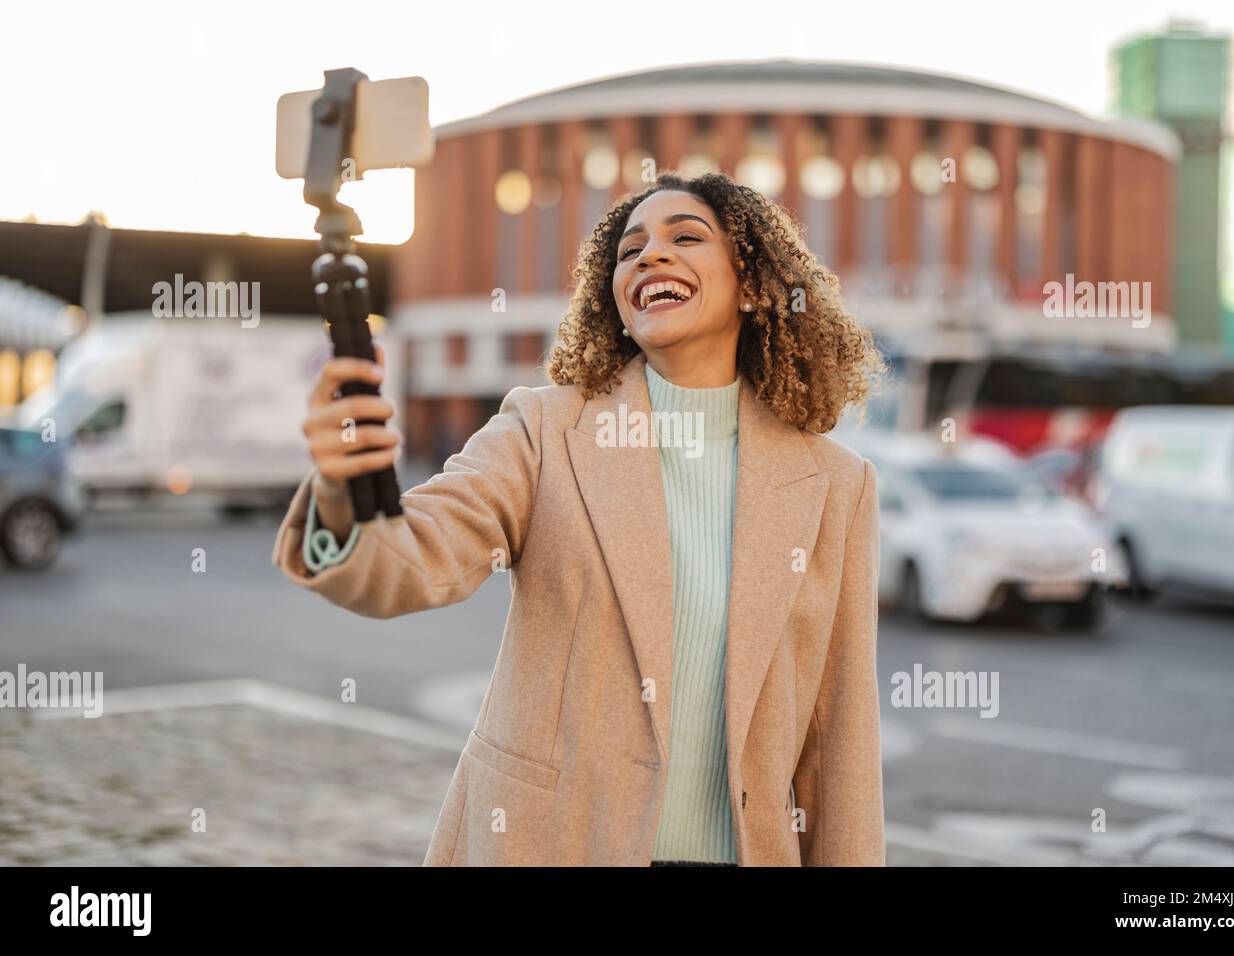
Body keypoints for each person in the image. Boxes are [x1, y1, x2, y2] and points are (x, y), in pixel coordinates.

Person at [273, 171, 887, 866]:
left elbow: (842, 739)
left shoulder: (840, 486)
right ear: (617, 303)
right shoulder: (543, 430)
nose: (651, 256)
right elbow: (408, 563)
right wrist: (343, 486)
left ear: (752, 286)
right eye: (630, 251)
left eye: (686, 237)